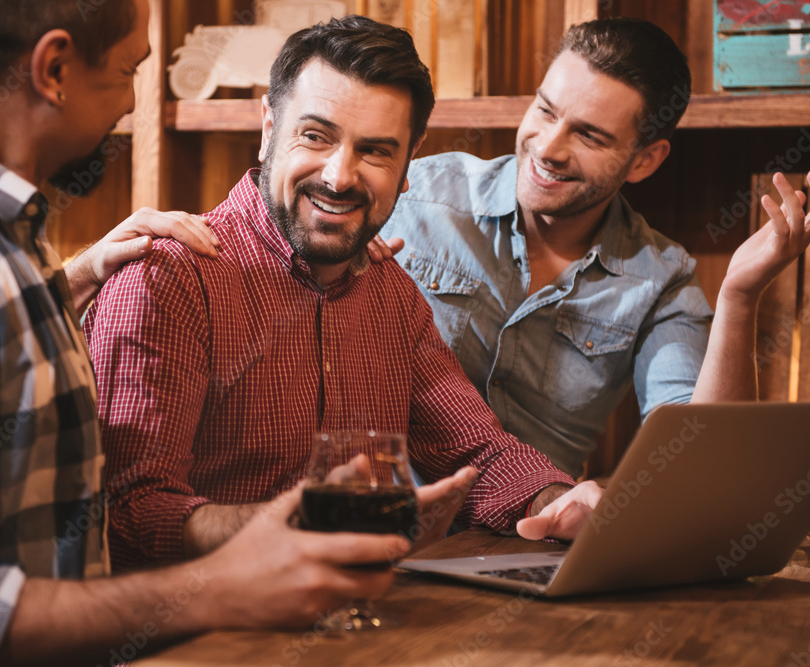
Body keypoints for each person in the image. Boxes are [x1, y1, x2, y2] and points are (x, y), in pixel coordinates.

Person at [0, 3, 426, 666]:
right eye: (130, 68)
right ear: (54, 69)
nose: (132, 102)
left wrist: (58, 287)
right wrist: (217, 588)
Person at [84, 15, 603, 573]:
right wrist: (297, 522)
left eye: (376, 151)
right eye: (316, 136)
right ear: (268, 128)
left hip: (360, 626)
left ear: (409, 162)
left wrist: (561, 501)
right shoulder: (164, 276)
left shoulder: (391, 293)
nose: (339, 176)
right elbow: (128, 513)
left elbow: (476, 452)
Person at [372, 17, 810, 477]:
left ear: (644, 160)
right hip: (382, 522)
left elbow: (704, 461)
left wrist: (740, 294)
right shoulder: (415, 195)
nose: (549, 148)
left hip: (534, 538)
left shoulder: (660, 279)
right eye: (546, 111)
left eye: (589, 135)